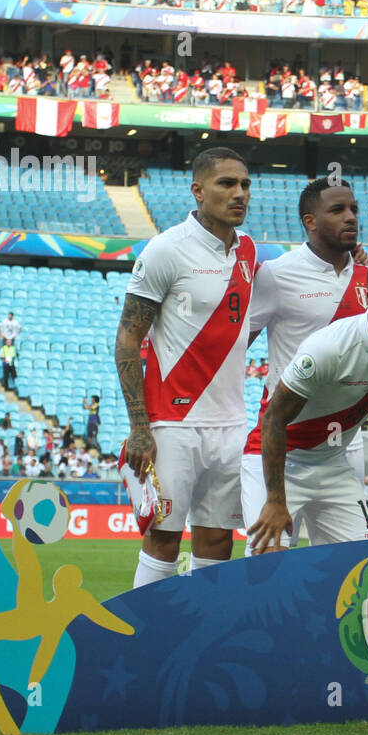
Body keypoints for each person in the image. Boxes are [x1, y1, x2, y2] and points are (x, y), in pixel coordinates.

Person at [117, 147, 256, 588]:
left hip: (232, 424)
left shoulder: (250, 252)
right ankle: (144, 643)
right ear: (197, 190)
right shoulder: (166, 250)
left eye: (245, 184)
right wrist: (140, 426)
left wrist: (357, 265)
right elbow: (127, 337)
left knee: (218, 542)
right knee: (163, 539)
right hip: (173, 424)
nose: (239, 194)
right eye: (227, 184)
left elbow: (240, 326)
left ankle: (204, 643)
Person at [246, 255, 368, 553]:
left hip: (332, 465)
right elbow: (272, 420)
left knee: (359, 565)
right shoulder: (328, 348)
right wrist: (276, 500)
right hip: (280, 462)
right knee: (268, 565)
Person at [241, 177, 368, 537]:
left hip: (341, 447)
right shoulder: (276, 275)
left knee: (355, 570)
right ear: (310, 221)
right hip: (283, 445)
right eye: (337, 210)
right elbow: (236, 349)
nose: (350, 217)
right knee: (269, 570)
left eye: (354, 209)